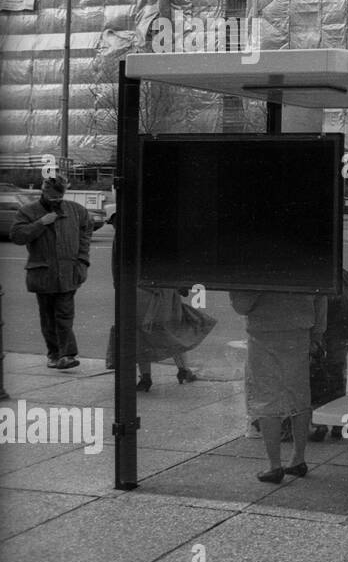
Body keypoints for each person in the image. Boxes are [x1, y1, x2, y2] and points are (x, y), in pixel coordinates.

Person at [230, 290, 326, 482]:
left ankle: (275, 465)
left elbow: (242, 305)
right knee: (299, 394)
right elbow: (321, 296)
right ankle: (298, 459)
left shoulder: (256, 265)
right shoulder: (308, 260)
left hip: (264, 334)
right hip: (300, 331)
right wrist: (317, 334)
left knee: (266, 397)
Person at [106, 213, 209, 391]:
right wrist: (181, 285)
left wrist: (120, 288)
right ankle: (183, 370)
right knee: (171, 330)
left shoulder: (123, 226)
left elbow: (117, 262)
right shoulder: (161, 225)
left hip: (135, 289)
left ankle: (145, 378)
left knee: (139, 334)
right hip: (163, 288)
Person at [10, 176, 92, 370]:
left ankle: (68, 355)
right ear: (43, 193)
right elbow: (17, 236)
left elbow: (85, 234)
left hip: (69, 272)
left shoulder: (76, 210)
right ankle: (54, 354)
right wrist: (41, 223)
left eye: (60, 197)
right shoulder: (28, 211)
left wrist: (82, 262)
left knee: (64, 315)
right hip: (42, 274)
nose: (56, 201)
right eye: (52, 197)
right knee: (48, 317)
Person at [309, 270, 348, 441]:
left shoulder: (319, 277)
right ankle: (339, 424)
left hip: (325, 330)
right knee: (336, 376)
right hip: (340, 331)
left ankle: (320, 424)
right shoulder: (344, 276)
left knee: (316, 376)